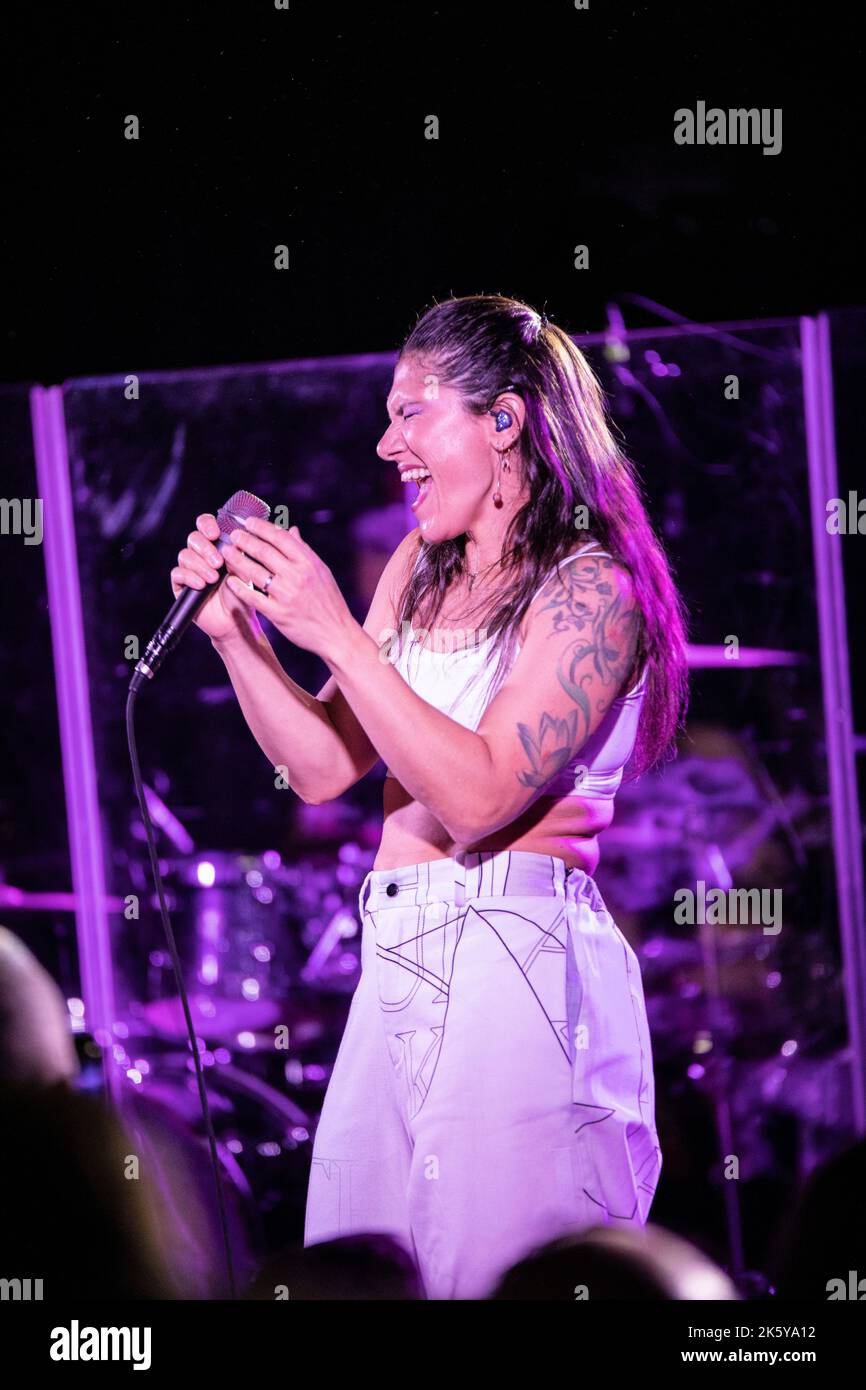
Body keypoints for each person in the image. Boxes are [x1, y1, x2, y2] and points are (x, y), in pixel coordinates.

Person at [170, 293, 689, 1299]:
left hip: (516, 960)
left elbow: (480, 796)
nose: (385, 442)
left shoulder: (592, 590)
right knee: (357, 1265)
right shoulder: (416, 566)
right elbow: (325, 767)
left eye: (411, 411)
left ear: (503, 419)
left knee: (490, 1275)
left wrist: (338, 631)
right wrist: (242, 637)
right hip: (395, 952)